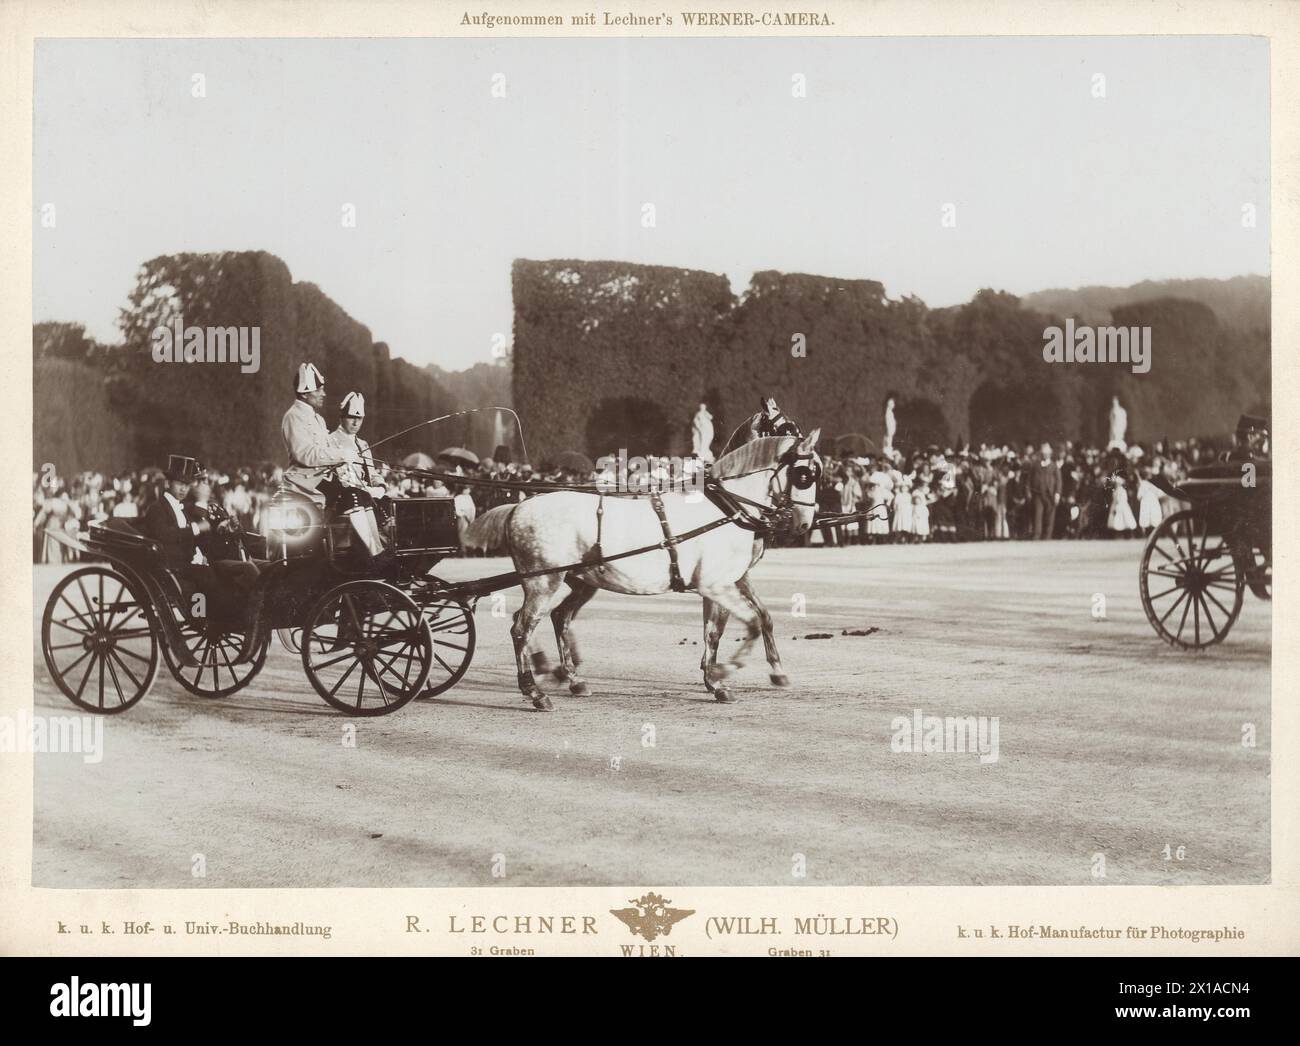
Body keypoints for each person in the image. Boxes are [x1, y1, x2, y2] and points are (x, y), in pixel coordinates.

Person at [280, 363, 388, 565]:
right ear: (305, 392)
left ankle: (379, 551)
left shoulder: (318, 419)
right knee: (353, 494)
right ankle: (375, 555)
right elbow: (305, 455)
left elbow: (329, 454)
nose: (323, 393)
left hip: (321, 480)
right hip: (305, 483)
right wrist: (342, 455)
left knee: (362, 494)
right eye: (319, 389)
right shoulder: (293, 417)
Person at [1024, 442, 1062, 540]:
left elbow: (1059, 481)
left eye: (1047, 453)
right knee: (1037, 515)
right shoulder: (1035, 465)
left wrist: (1057, 494)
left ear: (1050, 454)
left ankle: (1047, 537)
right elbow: (1029, 480)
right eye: (1043, 453)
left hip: (1050, 495)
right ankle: (1036, 536)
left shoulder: (1054, 466)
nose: (1045, 455)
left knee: (1049, 517)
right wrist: (1028, 492)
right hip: (1038, 494)